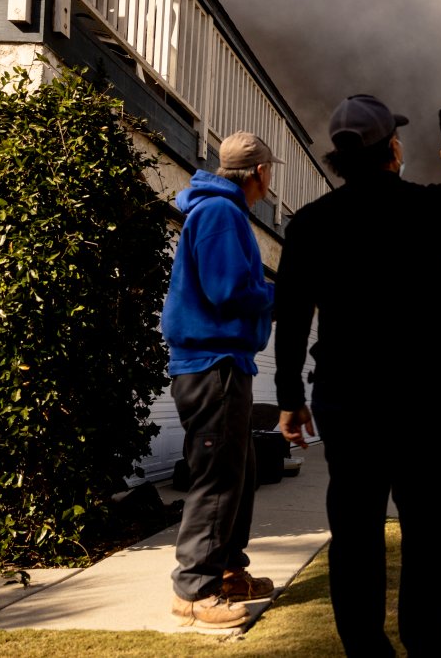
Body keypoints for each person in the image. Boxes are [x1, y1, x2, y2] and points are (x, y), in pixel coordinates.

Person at [275, 94, 441, 655]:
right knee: (429, 535)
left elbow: (293, 317)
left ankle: (366, 649)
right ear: (393, 149)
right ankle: (427, 646)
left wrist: (287, 395)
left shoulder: (311, 223)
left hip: (346, 403)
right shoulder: (428, 207)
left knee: (354, 536)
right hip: (421, 404)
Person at [163, 131, 280, 629]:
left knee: (239, 474)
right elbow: (227, 289)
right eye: (270, 171)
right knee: (216, 478)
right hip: (212, 366)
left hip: (224, 364)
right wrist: (283, 298)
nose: (271, 181)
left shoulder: (223, 212)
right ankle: (194, 590)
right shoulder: (219, 213)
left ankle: (229, 571)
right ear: (259, 173)